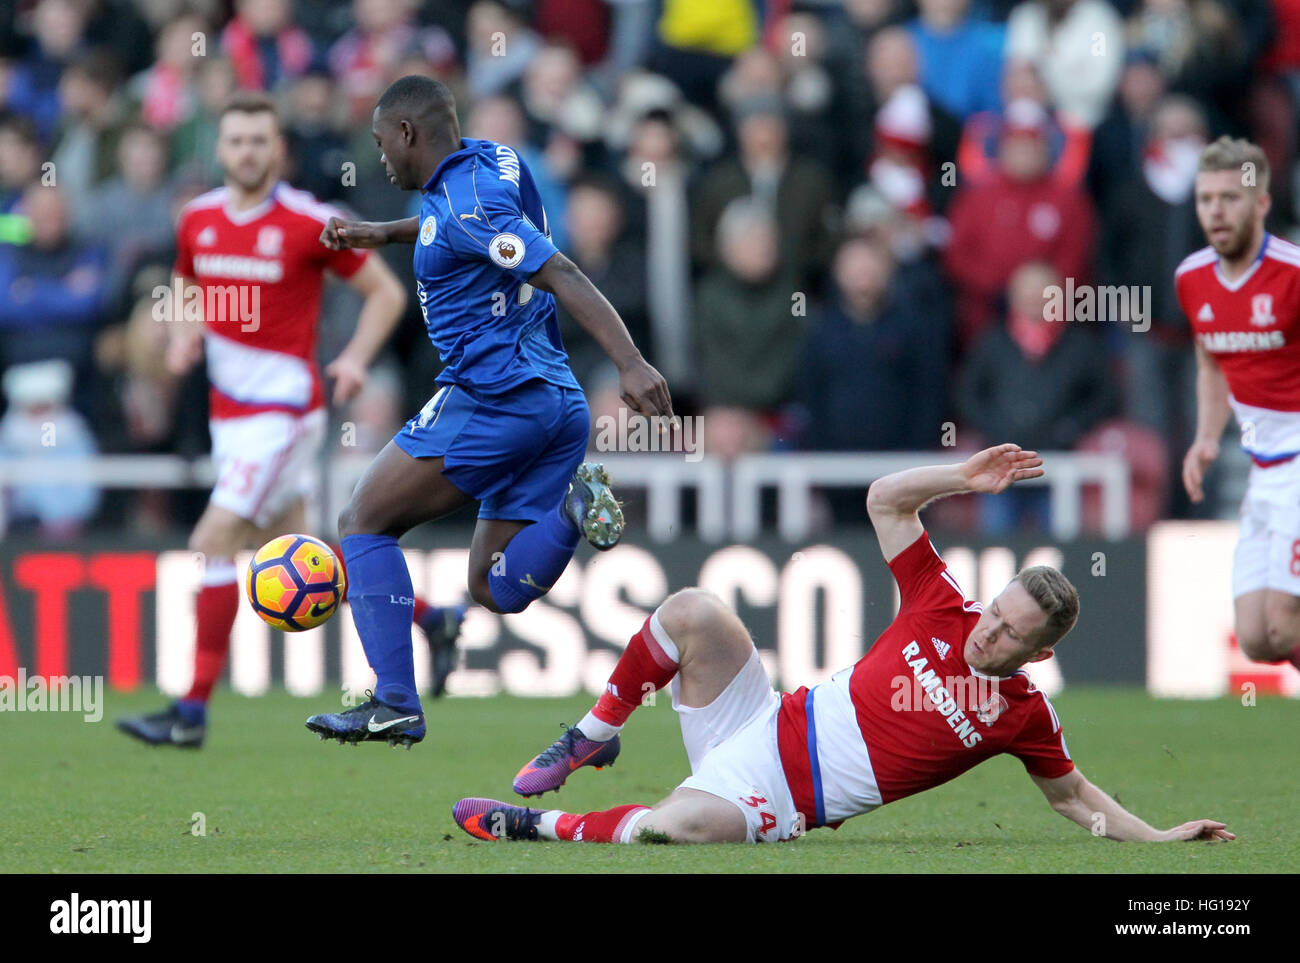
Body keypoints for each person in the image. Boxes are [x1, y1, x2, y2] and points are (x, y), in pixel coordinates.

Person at [453, 445, 1233, 845]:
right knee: (693, 609)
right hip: (760, 720)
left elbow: (1074, 797)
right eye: (995, 613)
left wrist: (1162, 835)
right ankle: (592, 736)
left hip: (787, 798)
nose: (988, 633)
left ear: (1038, 657)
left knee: (669, 831)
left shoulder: (1022, 715)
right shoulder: (941, 604)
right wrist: (963, 475)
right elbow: (884, 500)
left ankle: (533, 828)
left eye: (1008, 636)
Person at [308, 75, 671, 748]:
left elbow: (557, 269)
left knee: (363, 519)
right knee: (493, 586)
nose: (381, 157)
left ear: (410, 134)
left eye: (382, 141)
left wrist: (629, 362)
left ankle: (394, 700)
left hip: (493, 398)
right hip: (556, 402)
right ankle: (571, 511)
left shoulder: (470, 204)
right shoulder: (495, 162)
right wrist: (385, 233)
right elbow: (460, 225)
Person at [117, 91, 463, 749]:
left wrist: (357, 359)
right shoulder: (197, 218)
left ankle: (189, 712)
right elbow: (187, 283)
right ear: (220, 150)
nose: (247, 151)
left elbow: (385, 293)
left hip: (284, 412)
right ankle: (432, 617)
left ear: (278, 150)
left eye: (259, 140)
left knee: (212, 540)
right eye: (236, 140)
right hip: (231, 417)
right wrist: (186, 332)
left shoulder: (310, 221)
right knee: (304, 556)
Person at [1178, 136, 1300, 670]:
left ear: (1261, 203)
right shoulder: (1192, 279)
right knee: (1256, 637)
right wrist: (1207, 438)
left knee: (1283, 619)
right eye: (1206, 199)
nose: (1216, 211)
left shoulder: (1293, 274)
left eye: (1230, 197)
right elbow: (1210, 360)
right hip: (1263, 468)